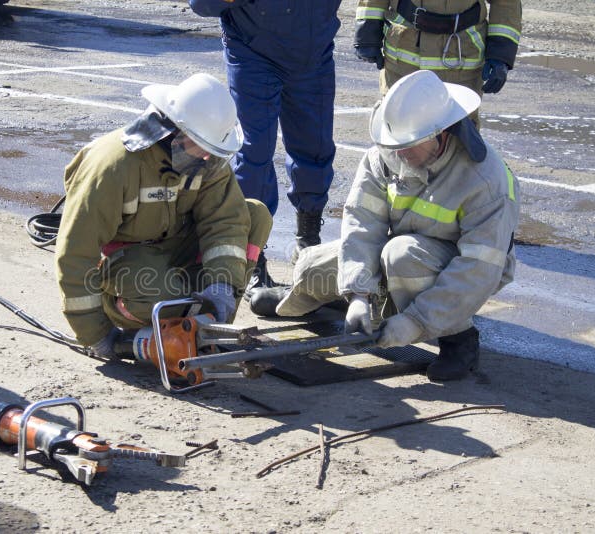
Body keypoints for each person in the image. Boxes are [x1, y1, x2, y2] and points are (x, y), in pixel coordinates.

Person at [249, 70, 520, 381]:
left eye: (408, 144)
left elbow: (477, 268)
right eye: (394, 143)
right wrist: (357, 296)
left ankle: (458, 338)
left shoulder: (485, 180)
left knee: (400, 255)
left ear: (440, 133)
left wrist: (416, 323)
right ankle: (312, 301)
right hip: (399, 243)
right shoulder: (388, 155)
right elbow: (362, 224)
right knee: (313, 266)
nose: (398, 152)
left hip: (461, 266)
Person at [55, 73, 272, 359]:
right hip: (128, 263)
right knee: (157, 293)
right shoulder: (111, 166)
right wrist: (95, 335)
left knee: (254, 214)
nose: (208, 159)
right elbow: (75, 253)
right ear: (172, 133)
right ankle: (136, 316)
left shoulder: (204, 160)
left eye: (213, 151)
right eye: (202, 148)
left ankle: (204, 325)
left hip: (173, 251)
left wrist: (221, 285)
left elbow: (226, 221)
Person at [188, 0, 342, 296]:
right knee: (254, 153)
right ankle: (252, 258)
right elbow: (201, 4)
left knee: (315, 147)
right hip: (253, 53)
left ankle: (308, 239)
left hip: (312, 53)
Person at [354, 0, 522, 98]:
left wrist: (500, 54)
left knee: (458, 144)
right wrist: (367, 28)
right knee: (400, 138)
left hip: (461, 64)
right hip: (404, 60)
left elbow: (506, 3)